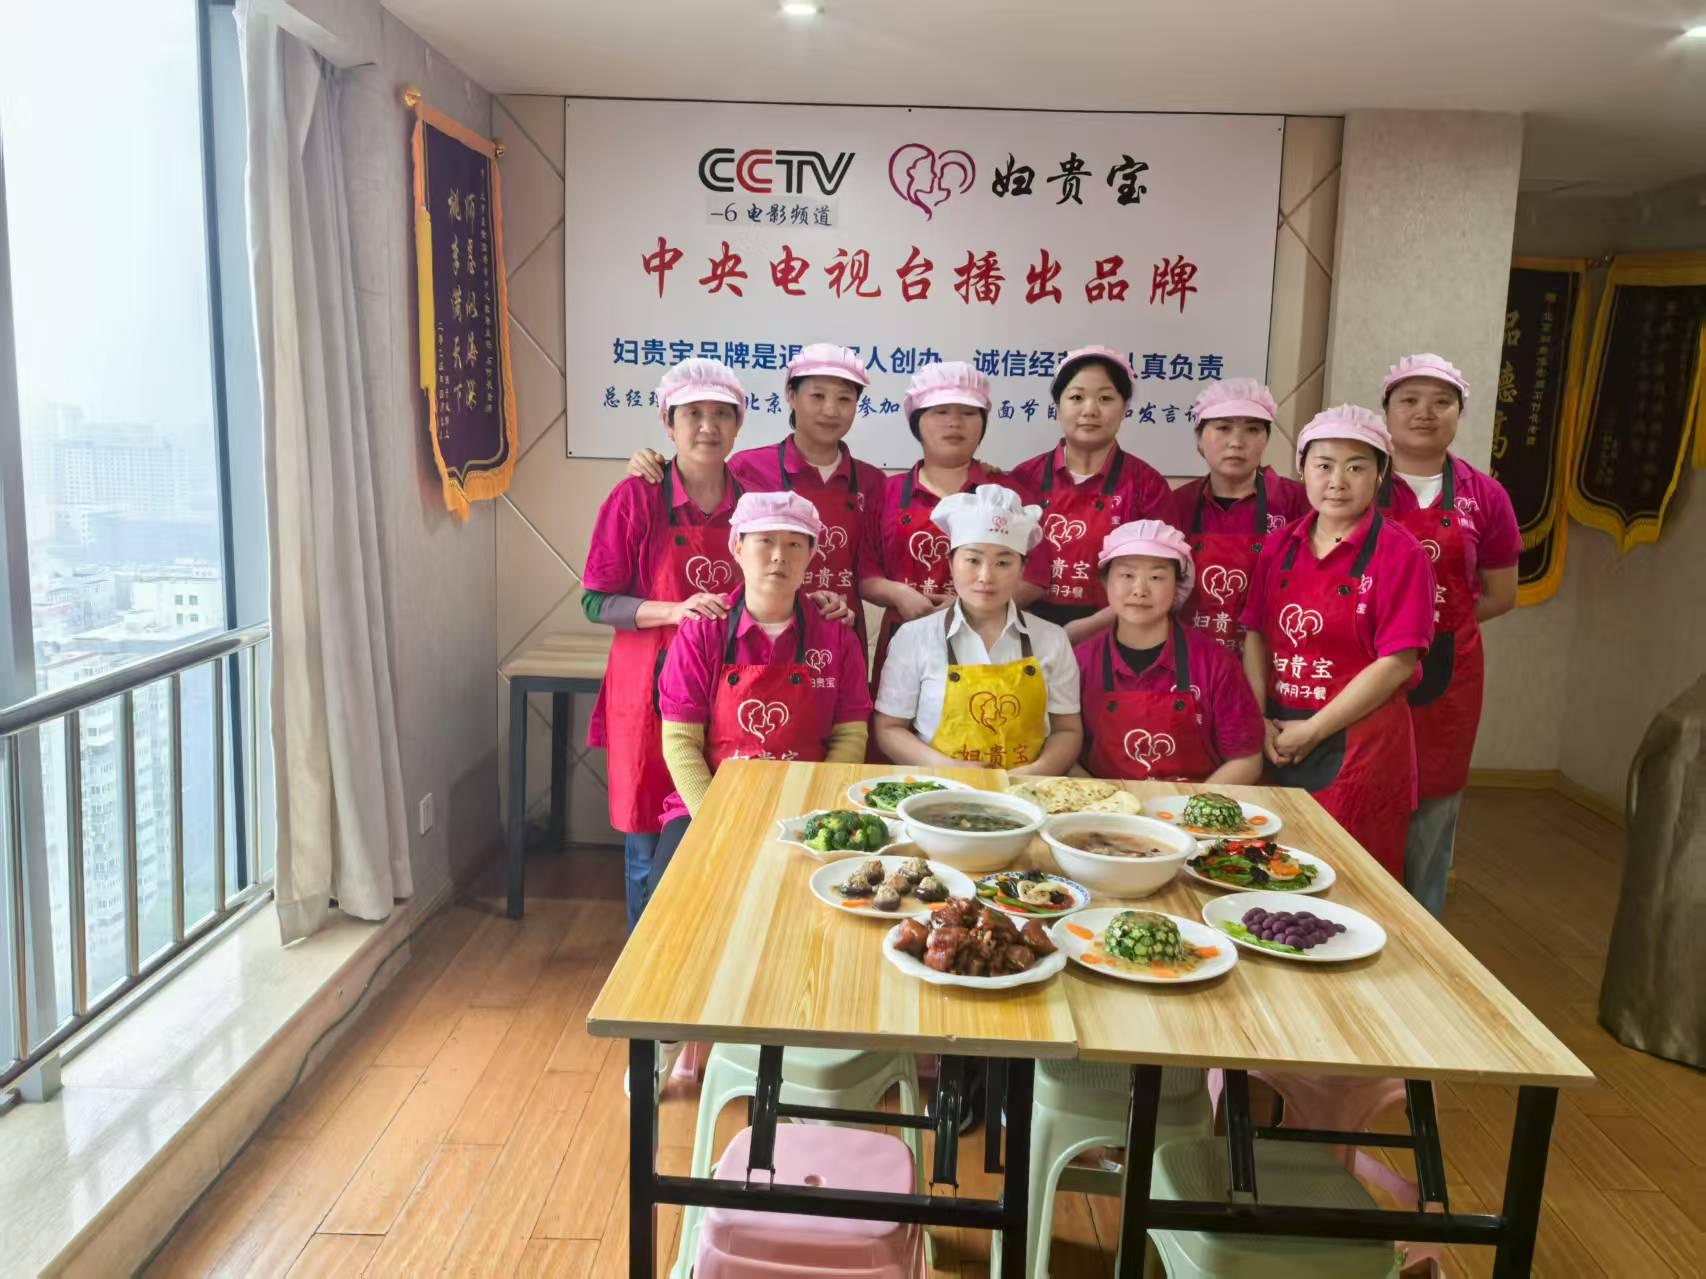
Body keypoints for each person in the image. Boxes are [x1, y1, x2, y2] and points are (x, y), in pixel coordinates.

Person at [585, 359, 850, 930]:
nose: (708, 427)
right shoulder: (637, 495)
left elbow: (777, 572)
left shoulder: (754, 498)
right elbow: (594, 602)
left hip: (730, 679)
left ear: (739, 425)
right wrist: (675, 611)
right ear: (668, 423)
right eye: (693, 415)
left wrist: (823, 601)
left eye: (722, 415)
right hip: (649, 685)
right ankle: (646, 962)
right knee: (650, 841)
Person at [1241, 405, 1437, 879]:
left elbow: (1397, 661)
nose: (1337, 481)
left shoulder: (1401, 553)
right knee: (1264, 874)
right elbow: (1255, 636)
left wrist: (1315, 729)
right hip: (1277, 736)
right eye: (1324, 465)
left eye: (1356, 468)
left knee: (1350, 881)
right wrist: (1258, 720)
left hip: (1361, 749)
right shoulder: (1279, 547)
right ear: (1302, 470)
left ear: (1379, 475)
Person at [654, 489, 872, 878]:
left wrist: (815, 816)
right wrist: (714, 818)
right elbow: (680, 742)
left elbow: (849, 737)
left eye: (794, 544)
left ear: (811, 554)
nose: (779, 556)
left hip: (809, 805)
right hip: (707, 799)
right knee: (673, 892)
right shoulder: (703, 632)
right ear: (737, 548)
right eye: (765, 541)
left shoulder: (836, 636)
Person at [1378, 354, 1521, 916]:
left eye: (1441, 402)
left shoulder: (1485, 496)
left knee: (1433, 806)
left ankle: (1423, 934)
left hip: (1449, 670)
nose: (1425, 413)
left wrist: (1434, 629)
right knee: (1362, 789)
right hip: (1361, 662)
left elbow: (1501, 593)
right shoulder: (1358, 479)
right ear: (1386, 410)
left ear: (1460, 414)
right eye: (1409, 400)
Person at [624, 344, 888, 645]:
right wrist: (651, 462)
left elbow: (870, 570)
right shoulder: (747, 469)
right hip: (757, 639)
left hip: (840, 632)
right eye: (817, 396)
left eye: (844, 398)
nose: (830, 410)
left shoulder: (873, 482)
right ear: (791, 395)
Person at [872, 484, 1082, 775]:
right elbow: (889, 728)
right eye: (972, 560)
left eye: (1003, 562)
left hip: (1026, 791)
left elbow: (1067, 730)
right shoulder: (914, 637)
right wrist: (952, 769)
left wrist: (1028, 777)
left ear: (1022, 569)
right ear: (951, 563)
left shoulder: (1052, 639)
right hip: (941, 787)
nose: (986, 576)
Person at [859, 361, 1040, 696]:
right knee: (897, 719)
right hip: (904, 633)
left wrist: (971, 607)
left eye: (968, 413)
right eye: (940, 411)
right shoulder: (886, 492)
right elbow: (865, 572)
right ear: (916, 421)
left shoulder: (1007, 493)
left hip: (988, 638)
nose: (954, 422)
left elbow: (1037, 576)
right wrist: (900, 594)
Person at [1076, 520, 1263, 783]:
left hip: (1193, 804)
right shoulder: (1080, 662)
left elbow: (1246, 759)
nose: (1140, 590)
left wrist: (1192, 804)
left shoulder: (1216, 664)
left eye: (1156, 577)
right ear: (1105, 582)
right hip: (1106, 803)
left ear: (1178, 584)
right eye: (1127, 575)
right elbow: (1067, 754)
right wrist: (1103, 800)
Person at [1008, 347, 1172, 641]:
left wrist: (1089, 628)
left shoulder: (1148, 486)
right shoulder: (1023, 479)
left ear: (1125, 408)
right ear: (1057, 406)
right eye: (1076, 397)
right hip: (1025, 630)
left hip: (1115, 633)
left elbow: (1161, 577)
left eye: (1105, 398)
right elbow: (1002, 561)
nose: (1090, 410)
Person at [1166, 379, 1311, 652]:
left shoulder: (1298, 503)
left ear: (1266, 439)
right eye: (1223, 428)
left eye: (1252, 429)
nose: (1236, 442)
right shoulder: (1176, 505)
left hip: (1273, 657)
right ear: (1199, 439)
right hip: (1191, 658)